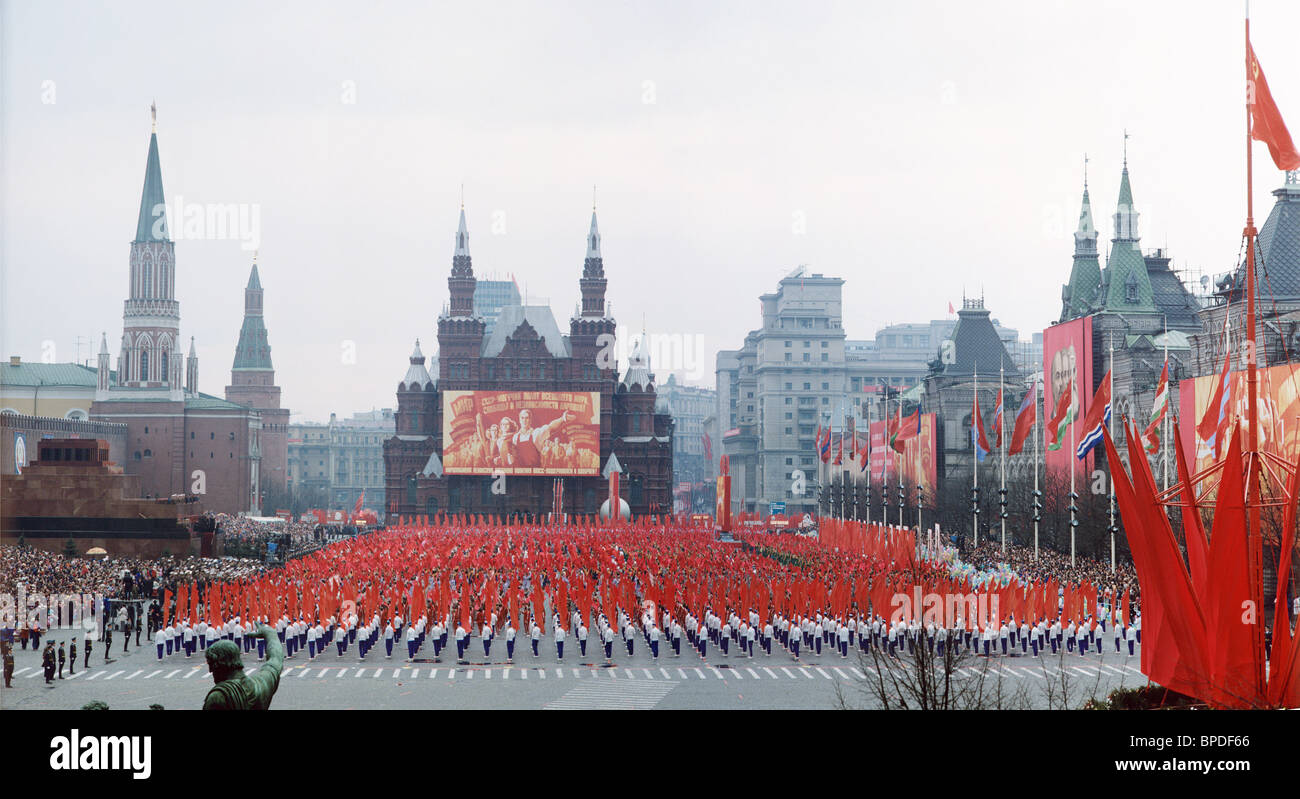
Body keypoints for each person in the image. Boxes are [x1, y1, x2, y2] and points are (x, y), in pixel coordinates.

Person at [202, 625, 285, 710]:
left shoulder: (218, 697)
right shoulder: (261, 683)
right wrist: (270, 633)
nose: (210, 671)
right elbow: (276, 658)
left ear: (220, 665)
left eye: (211, 665)